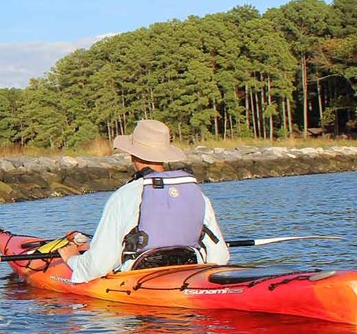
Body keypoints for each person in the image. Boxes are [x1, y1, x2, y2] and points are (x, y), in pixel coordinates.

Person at [57, 119, 229, 283]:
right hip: (191, 272)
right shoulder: (196, 193)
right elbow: (220, 257)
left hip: (140, 280)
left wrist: (72, 258)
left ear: (132, 154)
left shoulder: (125, 195)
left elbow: (97, 266)